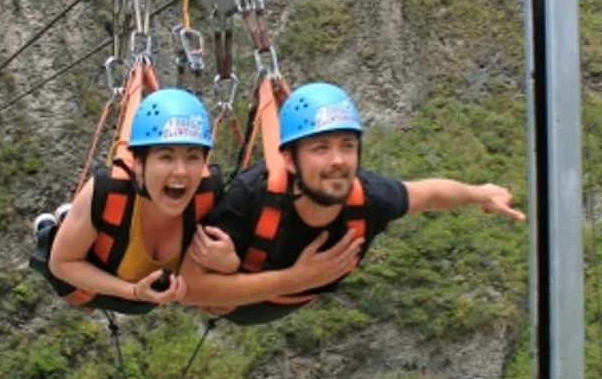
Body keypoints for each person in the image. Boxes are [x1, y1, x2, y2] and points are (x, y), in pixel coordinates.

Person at [179, 82, 525, 323]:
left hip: (282, 297)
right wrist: (297, 278)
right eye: (320, 148)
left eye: (347, 145)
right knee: (217, 287)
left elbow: (429, 193)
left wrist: (482, 193)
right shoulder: (252, 196)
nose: (338, 160)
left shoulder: (369, 199)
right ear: (288, 159)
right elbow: (192, 289)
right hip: (240, 302)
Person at [45, 88, 239, 313]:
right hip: (99, 283)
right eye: (166, 157)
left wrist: (229, 267)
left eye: (193, 157)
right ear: (138, 163)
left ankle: (72, 221)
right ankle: (57, 227)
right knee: (77, 295)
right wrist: (133, 291)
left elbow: (220, 307)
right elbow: (61, 264)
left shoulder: (208, 198)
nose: (181, 171)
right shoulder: (107, 193)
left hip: (140, 291)